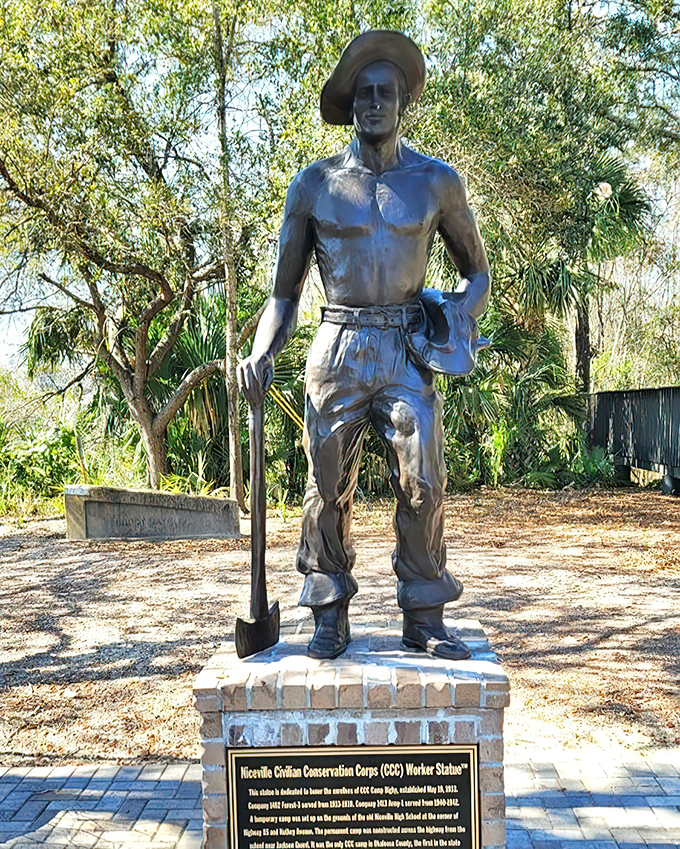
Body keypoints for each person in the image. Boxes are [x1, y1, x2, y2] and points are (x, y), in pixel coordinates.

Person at [238, 30, 490, 660]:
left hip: (406, 346)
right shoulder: (314, 186)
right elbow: (283, 295)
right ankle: (329, 611)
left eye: (387, 92)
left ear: (404, 101)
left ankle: (425, 614)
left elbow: (476, 272)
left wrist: (458, 314)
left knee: (424, 479)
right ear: (349, 104)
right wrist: (263, 350)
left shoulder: (437, 183)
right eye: (364, 93)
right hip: (338, 346)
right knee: (326, 484)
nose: (375, 102)